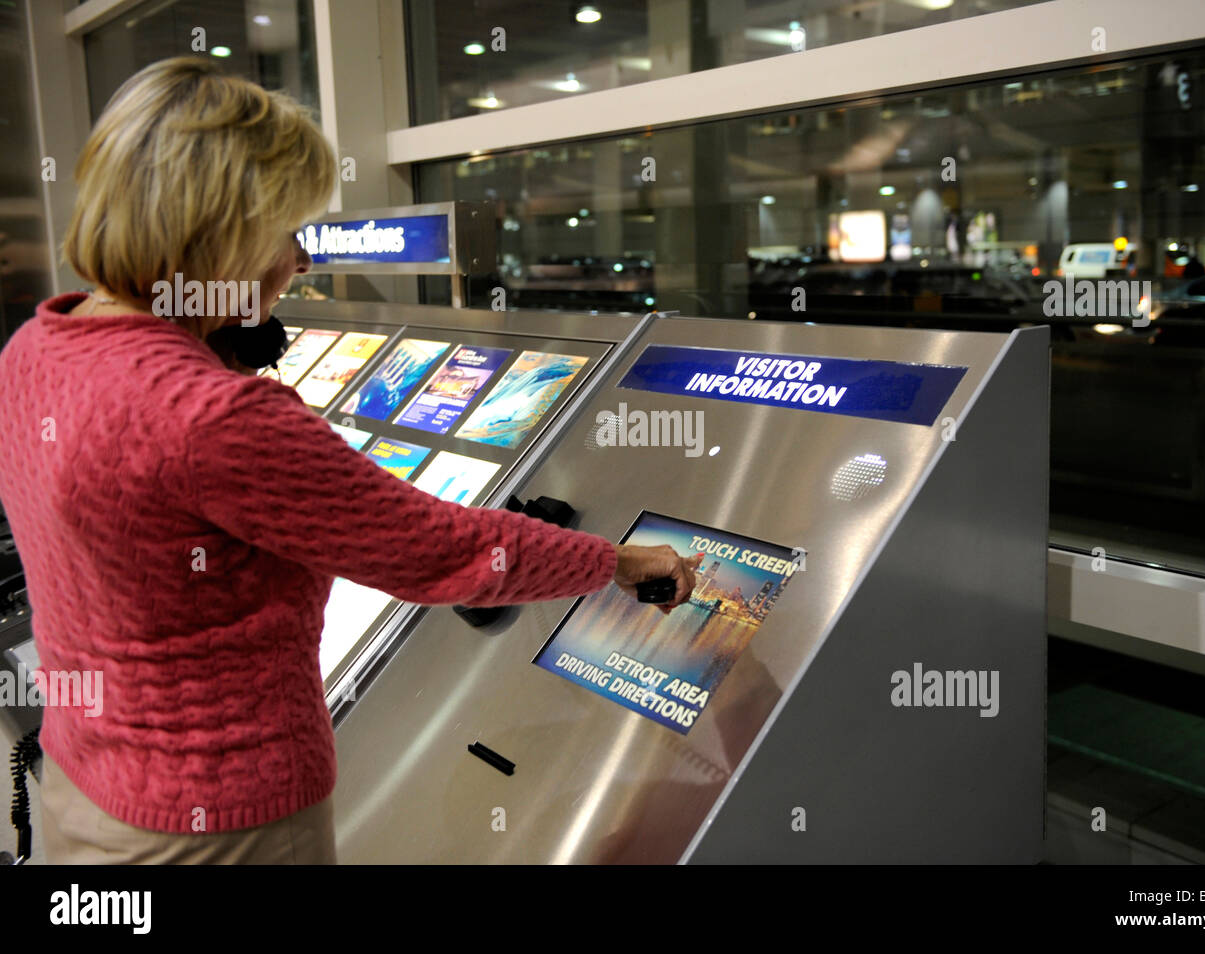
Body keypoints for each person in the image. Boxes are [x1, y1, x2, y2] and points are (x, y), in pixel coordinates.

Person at [0, 57, 700, 864]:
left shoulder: (37, 346)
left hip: (81, 786)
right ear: (220, 239)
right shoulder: (214, 418)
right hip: (213, 826)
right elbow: (443, 550)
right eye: (285, 232)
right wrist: (615, 560)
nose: (300, 260)